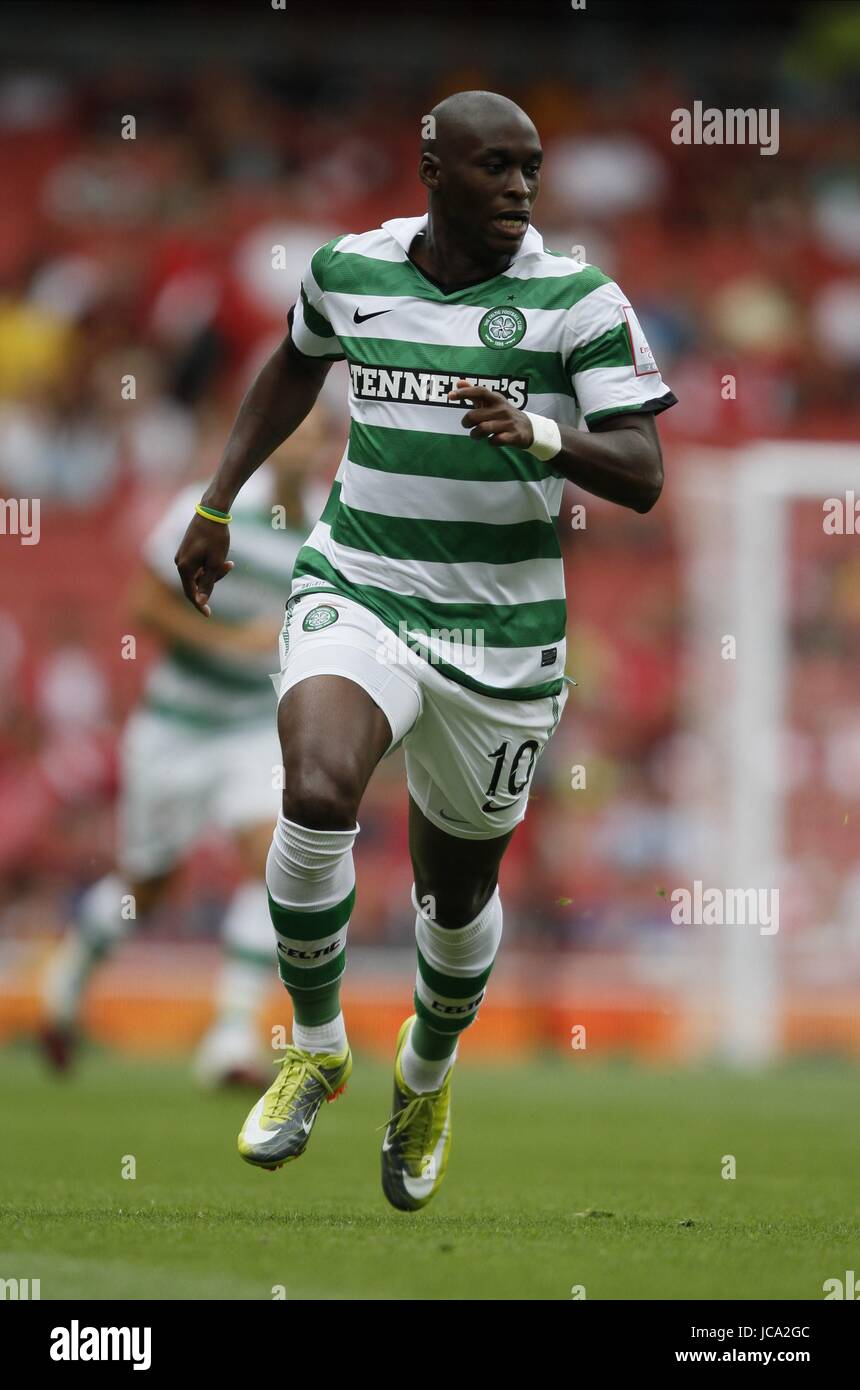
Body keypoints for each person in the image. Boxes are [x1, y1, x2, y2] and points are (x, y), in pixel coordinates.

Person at [174, 91, 676, 1209]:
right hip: (361, 583)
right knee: (313, 785)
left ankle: (425, 1071)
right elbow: (295, 362)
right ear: (430, 171)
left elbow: (642, 473)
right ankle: (313, 1044)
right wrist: (215, 504)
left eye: (530, 169)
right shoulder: (349, 269)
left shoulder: (575, 301)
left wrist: (538, 431)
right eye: (493, 167)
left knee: (456, 894)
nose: (517, 188)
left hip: (498, 634)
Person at [41, 414, 326, 1085]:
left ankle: (231, 1037)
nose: (305, 443)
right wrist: (228, 641)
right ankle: (67, 981)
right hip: (177, 724)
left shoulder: (323, 528)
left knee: (275, 861)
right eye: (296, 430)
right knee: (151, 885)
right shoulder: (211, 506)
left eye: (317, 434)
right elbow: (143, 606)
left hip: (254, 726)